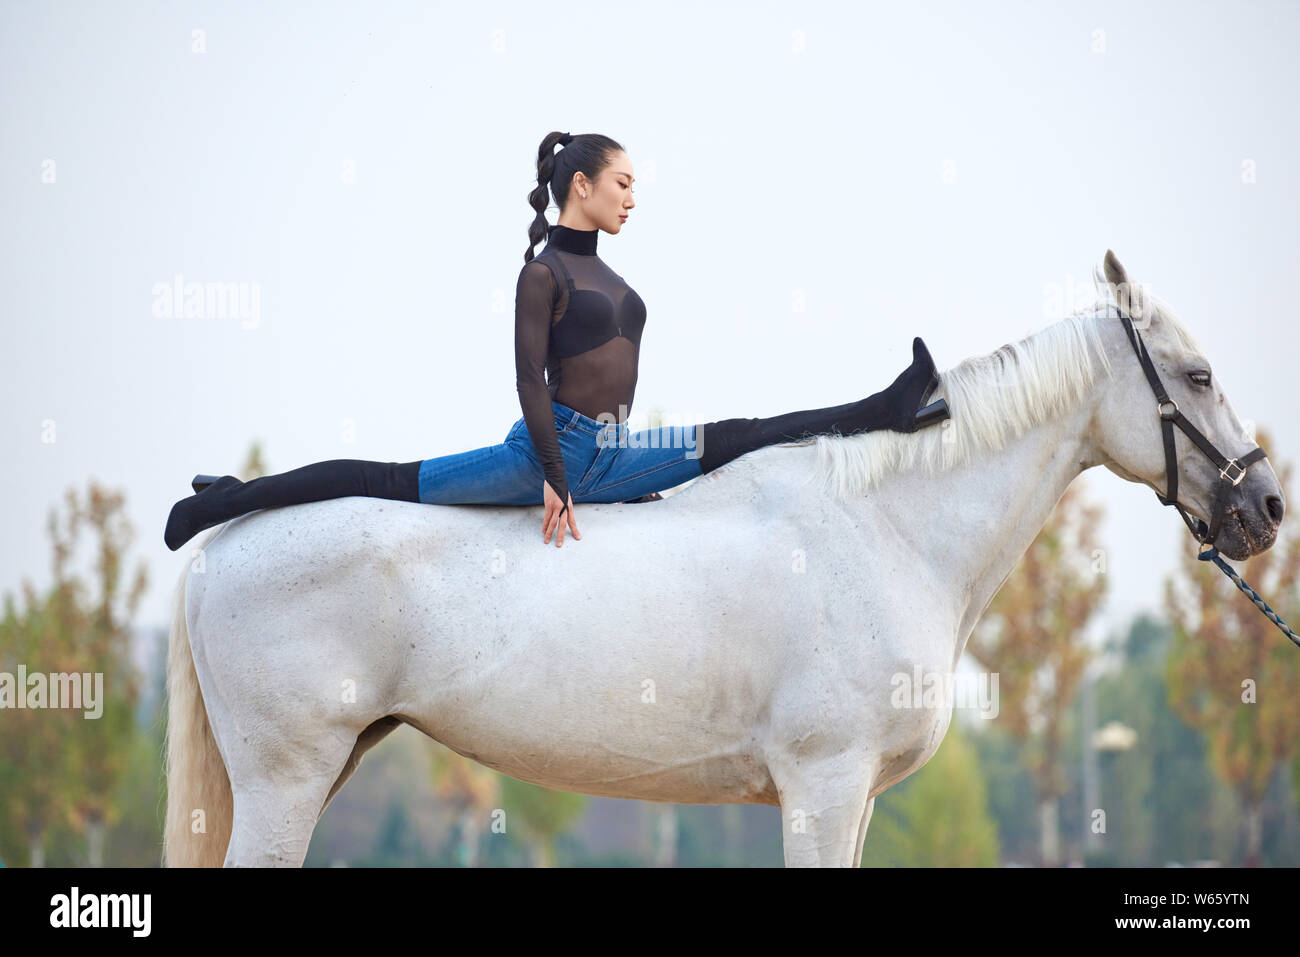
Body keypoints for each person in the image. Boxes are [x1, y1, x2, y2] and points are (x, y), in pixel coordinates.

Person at [163, 131, 948, 552]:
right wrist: (552, 477)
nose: (634, 197)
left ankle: (889, 406)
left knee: (740, 436)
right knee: (386, 480)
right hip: (552, 452)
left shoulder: (610, 277)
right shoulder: (542, 275)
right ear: (583, 185)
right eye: (624, 183)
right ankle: (228, 500)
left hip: (622, 449)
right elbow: (529, 381)